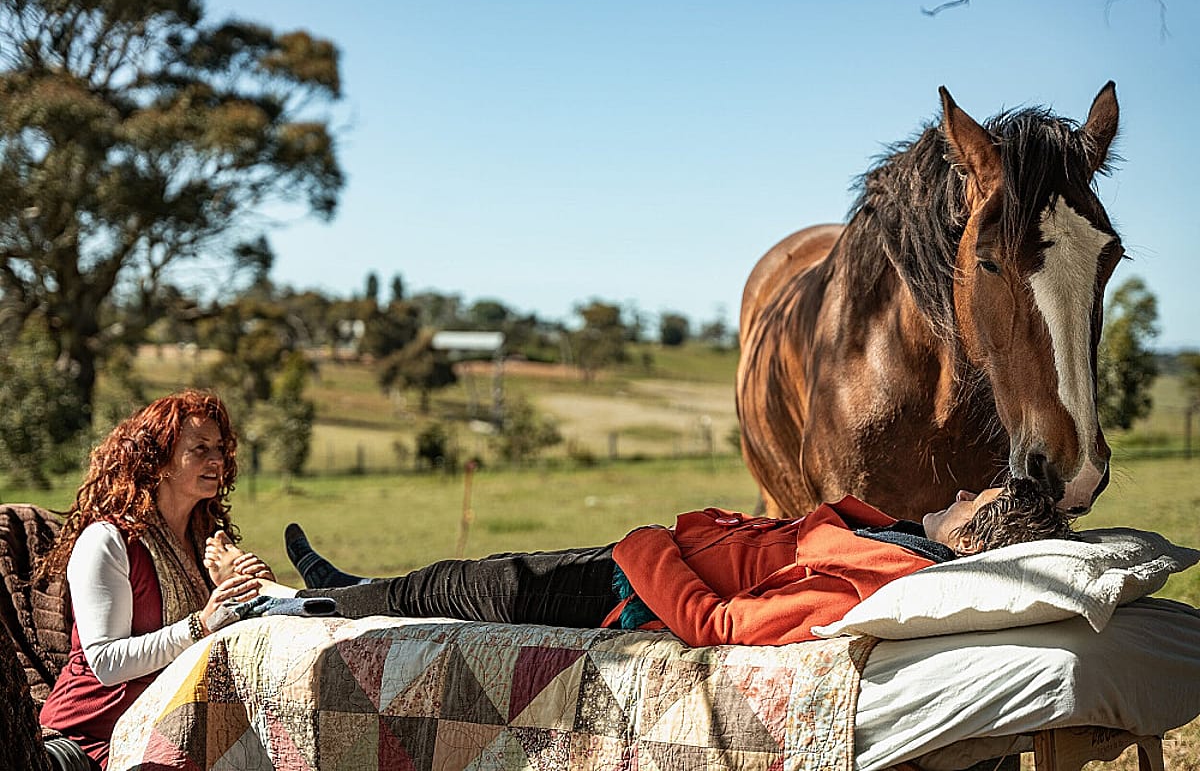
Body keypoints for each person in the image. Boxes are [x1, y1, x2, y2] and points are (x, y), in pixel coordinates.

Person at [208, 477, 1072, 649]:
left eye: (974, 496)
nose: (959, 490)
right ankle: (338, 589)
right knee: (443, 579)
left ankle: (288, 611)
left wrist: (649, 548)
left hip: (620, 591)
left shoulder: (884, 575)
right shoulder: (892, 542)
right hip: (626, 566)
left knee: (446, 594)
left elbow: (721, 624)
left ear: (980, 528)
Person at [34, 391, 274, 770]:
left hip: (179, 729)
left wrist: (253, 591)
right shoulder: (107, 541)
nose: (217, 460)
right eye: (199, 448)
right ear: (159, 458)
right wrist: (200, 625)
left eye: (219, 448)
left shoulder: (206, 540)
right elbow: (106, 663)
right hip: (94, 734)